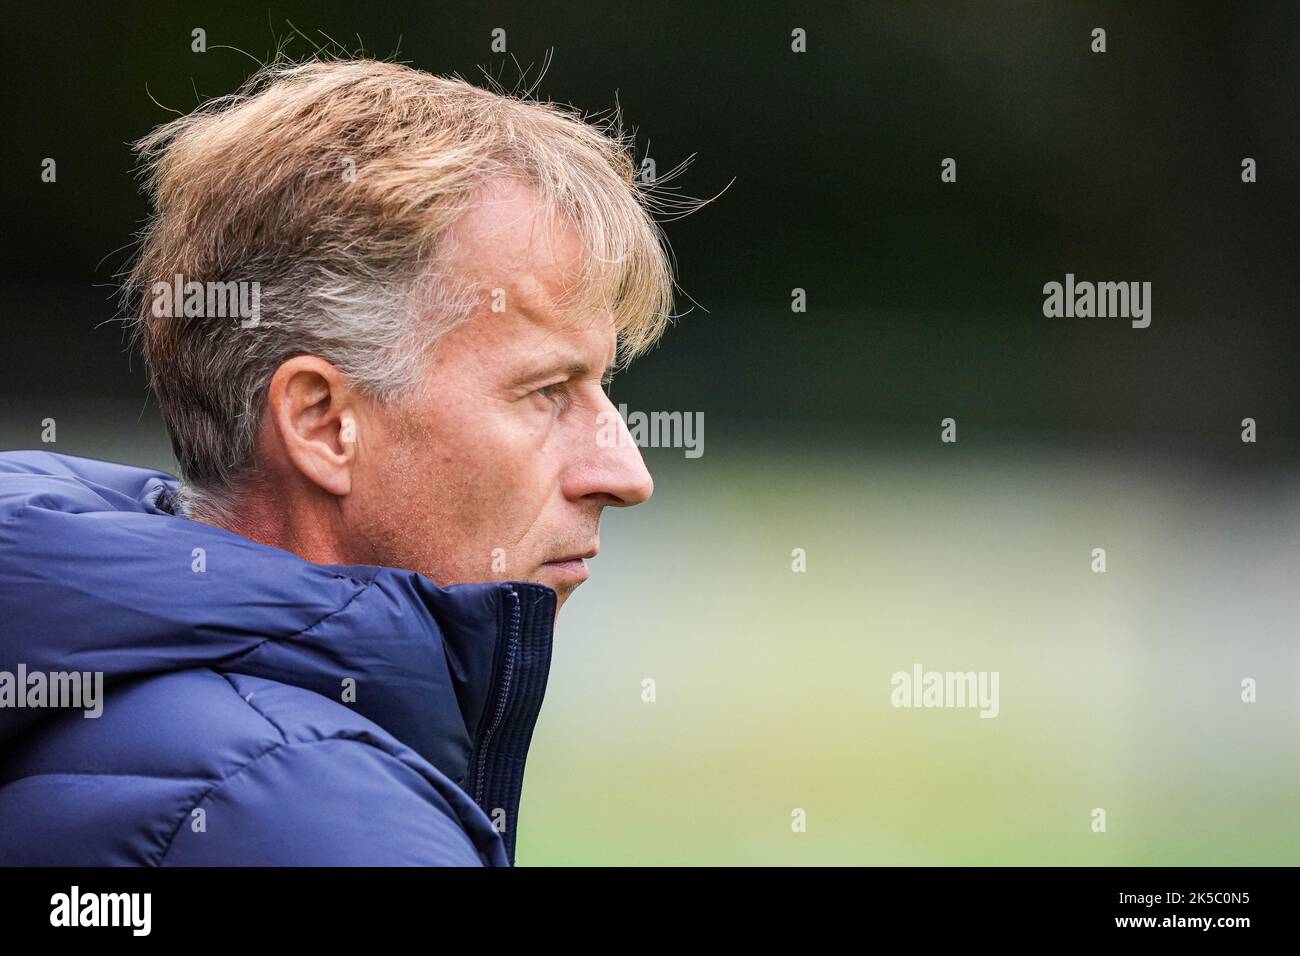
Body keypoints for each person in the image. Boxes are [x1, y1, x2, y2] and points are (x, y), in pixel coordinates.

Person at [0, 57, 684, 866]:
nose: (626, 473)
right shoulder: (307, 812)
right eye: (545, 391)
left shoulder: (79, 670)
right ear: (323, 424)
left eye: (601, 388)